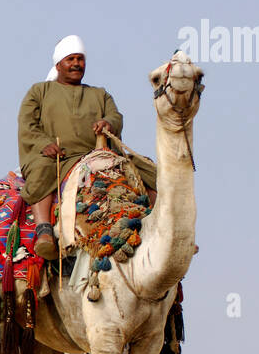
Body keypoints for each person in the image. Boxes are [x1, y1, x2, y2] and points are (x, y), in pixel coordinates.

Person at [18, 35, 157, 260]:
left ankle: (161, 227)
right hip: (59, 157)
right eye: (70, 59)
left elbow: (115, 115)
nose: (76, 64)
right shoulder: (39, 92)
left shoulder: (99, 94)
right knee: (42, 169)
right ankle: (43, 230)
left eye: (80, 59)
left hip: (97, 154)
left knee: (149, 170)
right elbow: (27, 123)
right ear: (58, 65)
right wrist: (45, 144)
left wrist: (108, 123)